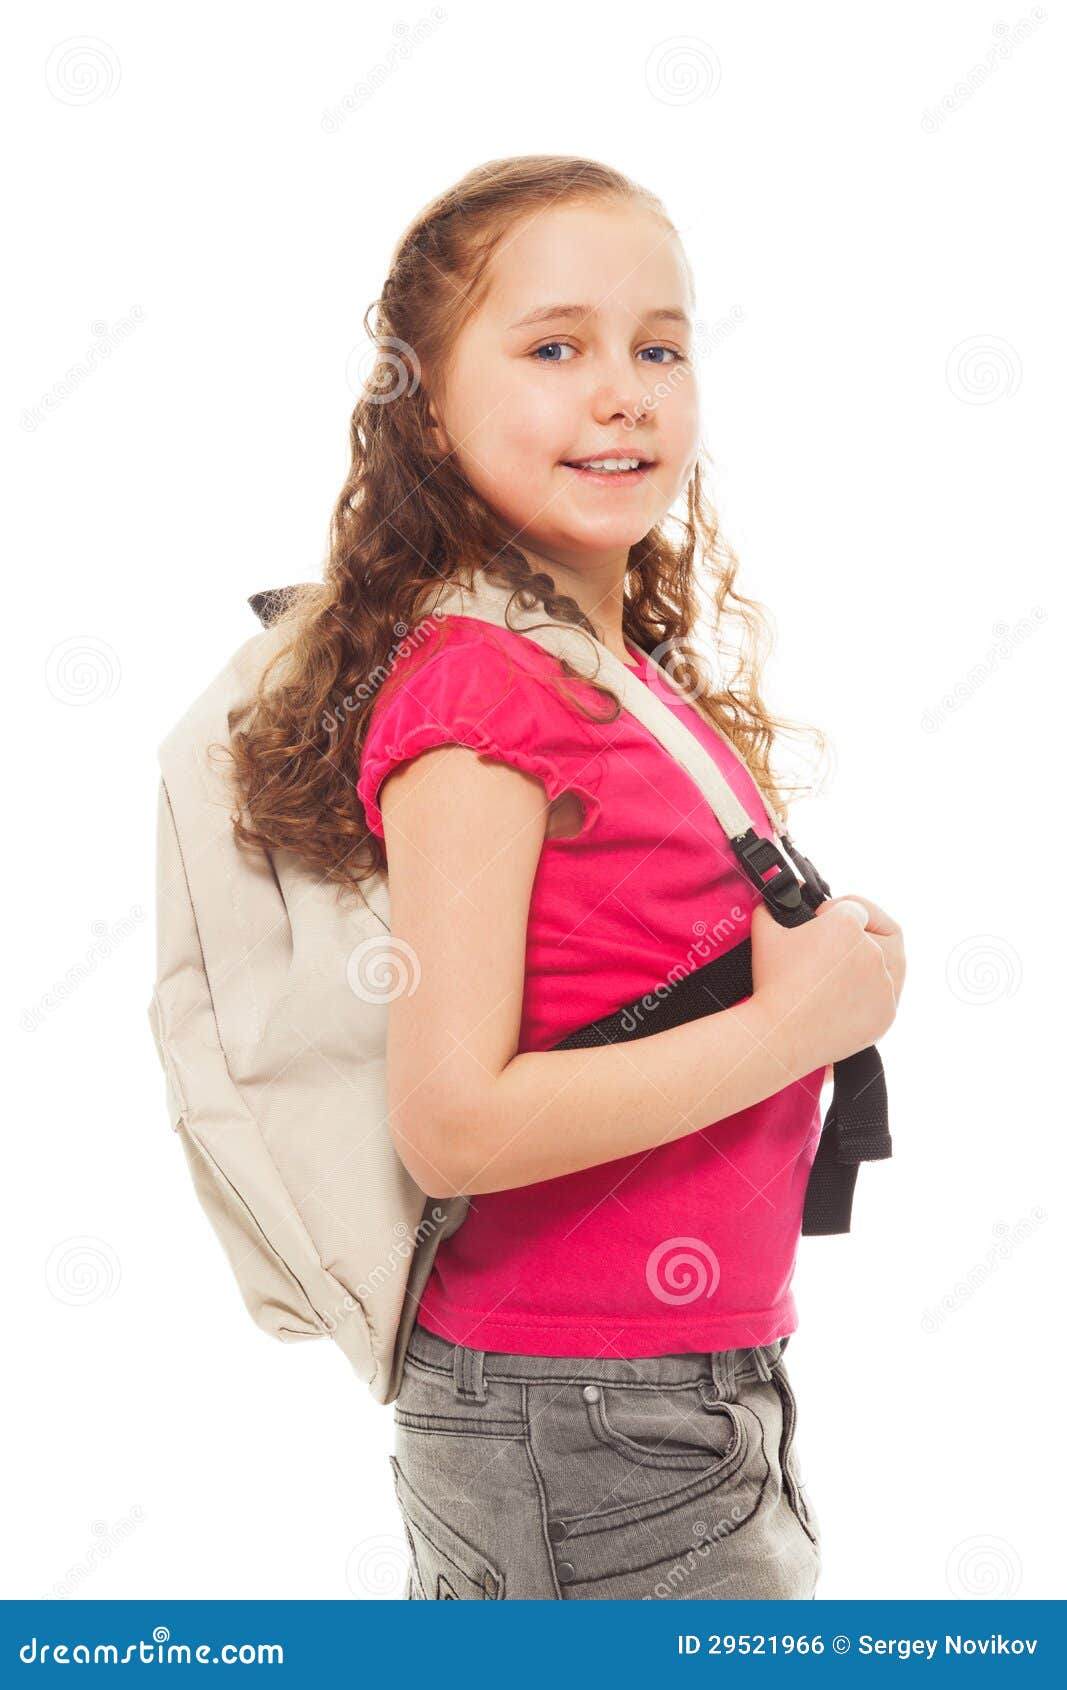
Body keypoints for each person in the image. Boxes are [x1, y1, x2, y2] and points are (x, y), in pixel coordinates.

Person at [229, 155, 905, 1600]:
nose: (624, 392)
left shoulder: (606, 673)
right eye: (554, 349)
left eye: (660, 347)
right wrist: (797, 1025)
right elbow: (454, 1125)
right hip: (587, 1415)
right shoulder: (482, 695)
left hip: (659, 1389)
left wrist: (818, 969)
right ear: (425, 406)